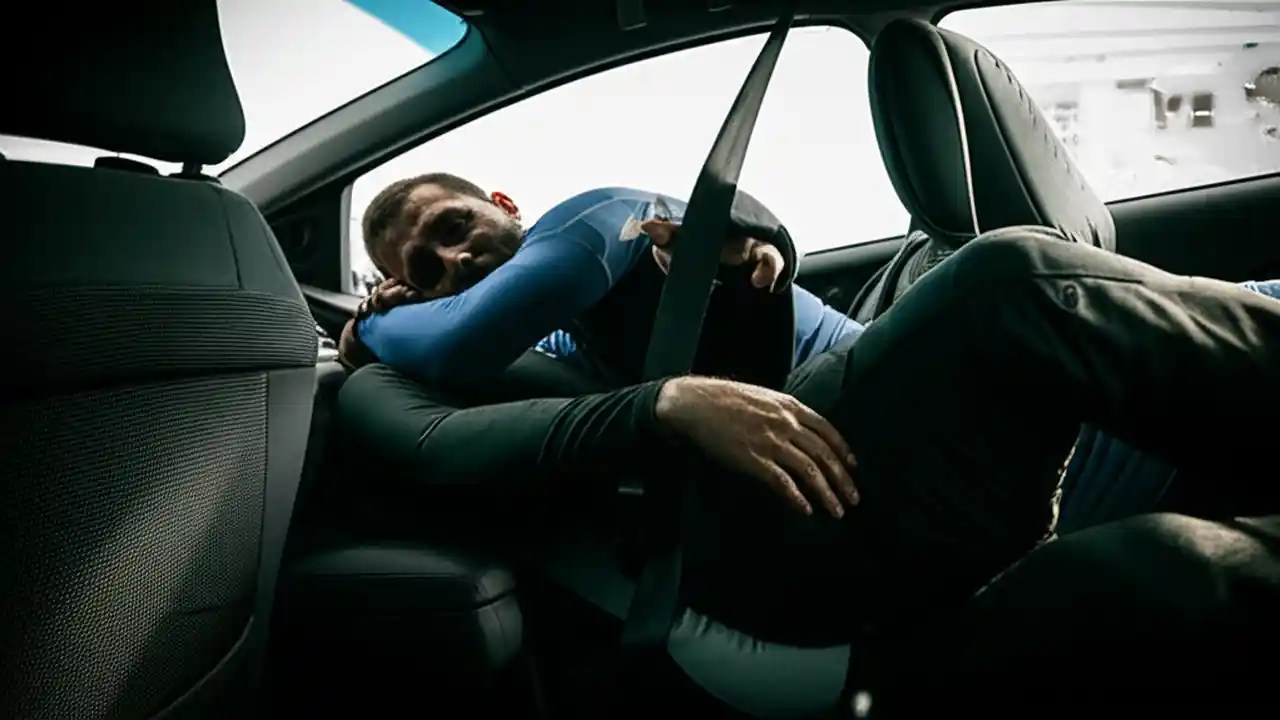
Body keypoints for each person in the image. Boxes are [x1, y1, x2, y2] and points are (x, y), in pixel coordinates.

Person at [337, 173, 1280, 646]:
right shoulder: (471, 350)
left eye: (456, 227)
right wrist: (662, 404)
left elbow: (718, 254)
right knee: (1007, 278)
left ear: (501, 202)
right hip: (808, 501)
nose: (453, 261)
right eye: (423, 268)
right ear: (403, 294)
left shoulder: (611, 242)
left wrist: (750, 257)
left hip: (881, 442)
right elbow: (447, 403)